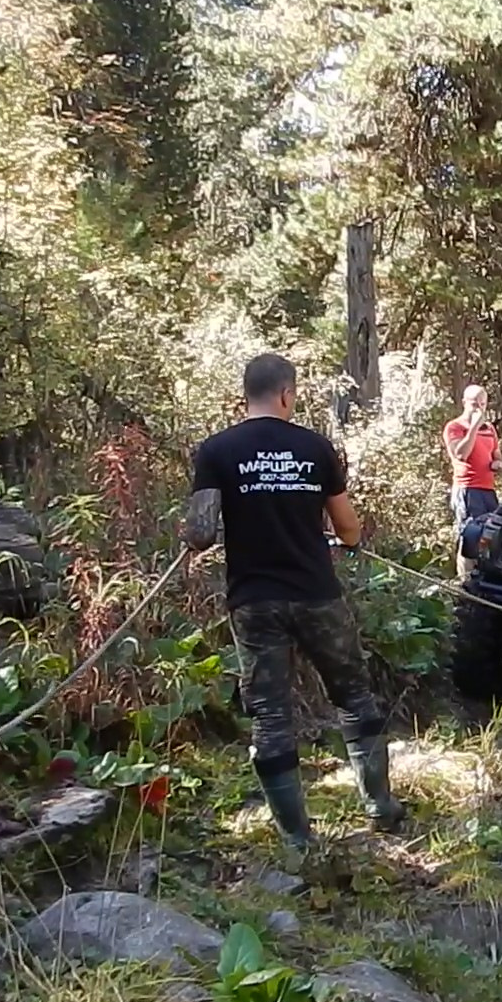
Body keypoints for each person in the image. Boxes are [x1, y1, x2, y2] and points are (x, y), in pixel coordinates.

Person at [183, 353, 406, 848]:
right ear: (287, 394)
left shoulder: (217, 450)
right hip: (316, 595)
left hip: (254, 602)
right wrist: (341, 539)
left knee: (270, 716)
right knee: (353, 696)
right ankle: (379, 807)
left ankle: (297, 839)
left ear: (247, 394)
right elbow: (349, 529)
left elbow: (199, 533)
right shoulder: (315, 447)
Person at [443, 384, 502, 579]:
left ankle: (484, 577)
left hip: (487, 488)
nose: (479, 408)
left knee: (491, 533)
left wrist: (498, 463)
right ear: (464, 403)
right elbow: (461, 453)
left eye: (483, 404)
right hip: (467, 488)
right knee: (469, 534)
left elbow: (497, 455)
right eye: (474, 404)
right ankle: (465, 581)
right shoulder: (455, 427)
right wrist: (474, 427)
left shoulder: (490, 430)